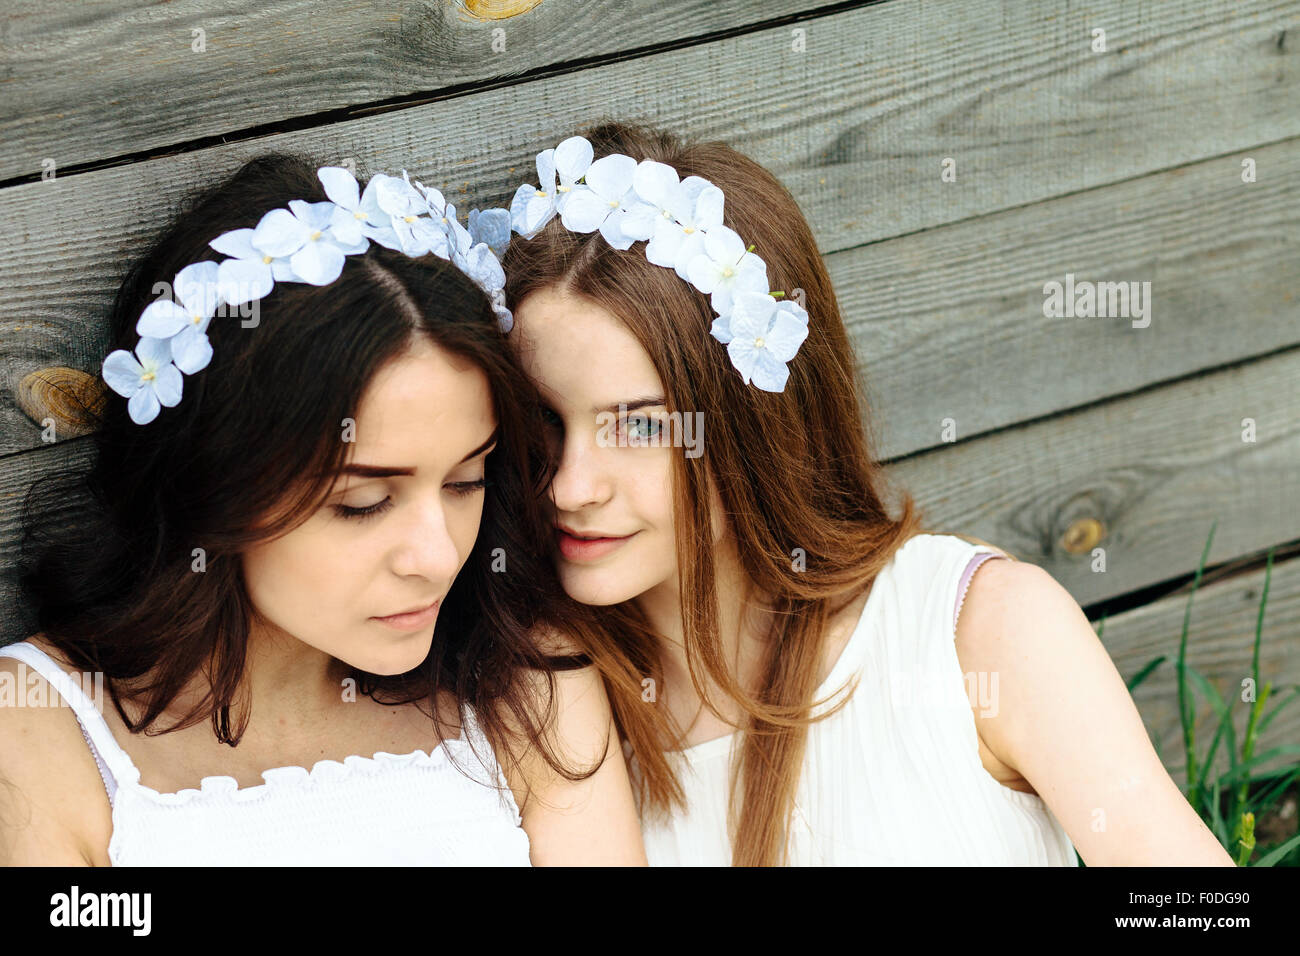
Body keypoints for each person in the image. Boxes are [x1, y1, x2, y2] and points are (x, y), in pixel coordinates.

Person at [499, 121, 1236, 866]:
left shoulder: (980, 632)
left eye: (641, 427)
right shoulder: (553, 715)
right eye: (544, 425)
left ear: (753, 421)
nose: (569, 487)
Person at [0, 153, 645, 866]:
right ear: (217, 476)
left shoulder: (528, 683)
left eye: (465, 481)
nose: (436, 558)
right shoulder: (39, 728)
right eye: (363, 504)